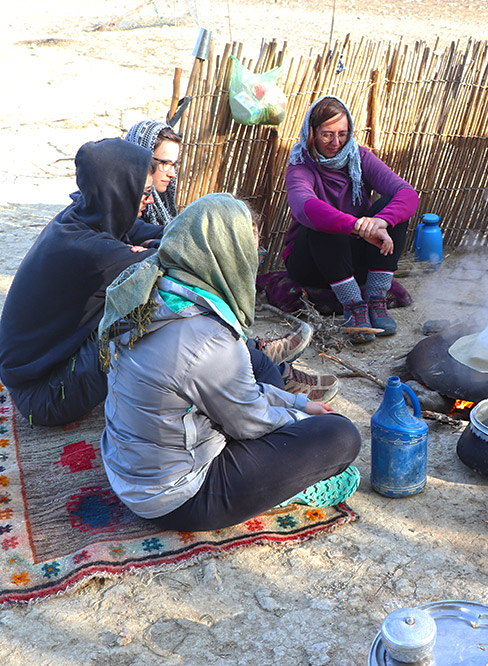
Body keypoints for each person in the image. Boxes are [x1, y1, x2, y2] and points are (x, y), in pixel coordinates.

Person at [98, 193, 362, 531]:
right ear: (225, 257)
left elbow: (232, 388)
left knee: (260, 366)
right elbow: (249, 423)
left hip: (132, 464)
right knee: (340, 435)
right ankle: (286, 489)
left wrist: (297, 403)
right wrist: (299, 415)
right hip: (177, 496)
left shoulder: (151, 287)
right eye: (249, 254)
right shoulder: (207, 337)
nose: (253, 263)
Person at [126, 118, 335, 398]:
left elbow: (164, 236)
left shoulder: (154, 204)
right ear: (140, 158)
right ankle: (274, 373)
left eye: (174, 164)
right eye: (164, 163)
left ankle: (262, 359)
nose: (171, 172)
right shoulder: (122, 209)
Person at [0, 138, 165, 427]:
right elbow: (178, 259)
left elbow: (165, 235)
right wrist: (151, 255)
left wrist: (149, 248)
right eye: (144, 193)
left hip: (33, 376)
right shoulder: (88, 249)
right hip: (44, 397)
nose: (149, 202)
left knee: (143, 284)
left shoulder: (83, 215)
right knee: (155, 300)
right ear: (118, 191)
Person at [284, 95, 419, 343]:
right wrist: (356, 226)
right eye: (327, 134)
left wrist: (382, 222)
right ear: (311, 132)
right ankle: (354, 306)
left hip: (353, 258)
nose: (336, 142)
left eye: (342, 134)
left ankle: (376, 297)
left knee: (391, 206)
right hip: (312, 262)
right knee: (321, 217)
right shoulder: (300, 164)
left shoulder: (358, 157)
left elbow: (407, 194)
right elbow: (304, 206)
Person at [125, 120, 181, 227]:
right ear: (142, 160)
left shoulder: (164, 216)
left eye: (174, 164)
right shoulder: (124, 221)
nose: (172, 174)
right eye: (165, 163)